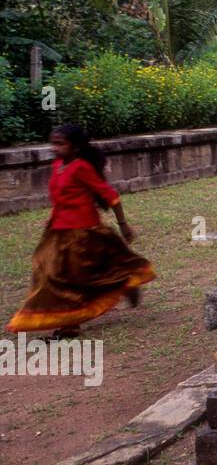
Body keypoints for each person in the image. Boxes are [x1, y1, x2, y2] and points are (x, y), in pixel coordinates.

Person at [6, 124, 155, 337]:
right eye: (53, 143)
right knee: (45, 270)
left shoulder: (81, 167)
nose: (55, 148)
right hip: (58, 230)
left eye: (61, 144)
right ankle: (119, 285)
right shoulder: (57, 165)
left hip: (82, 232)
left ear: (75, 148)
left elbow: (110, 195)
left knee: (71, 277)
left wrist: (123, 225)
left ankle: (71, 323)